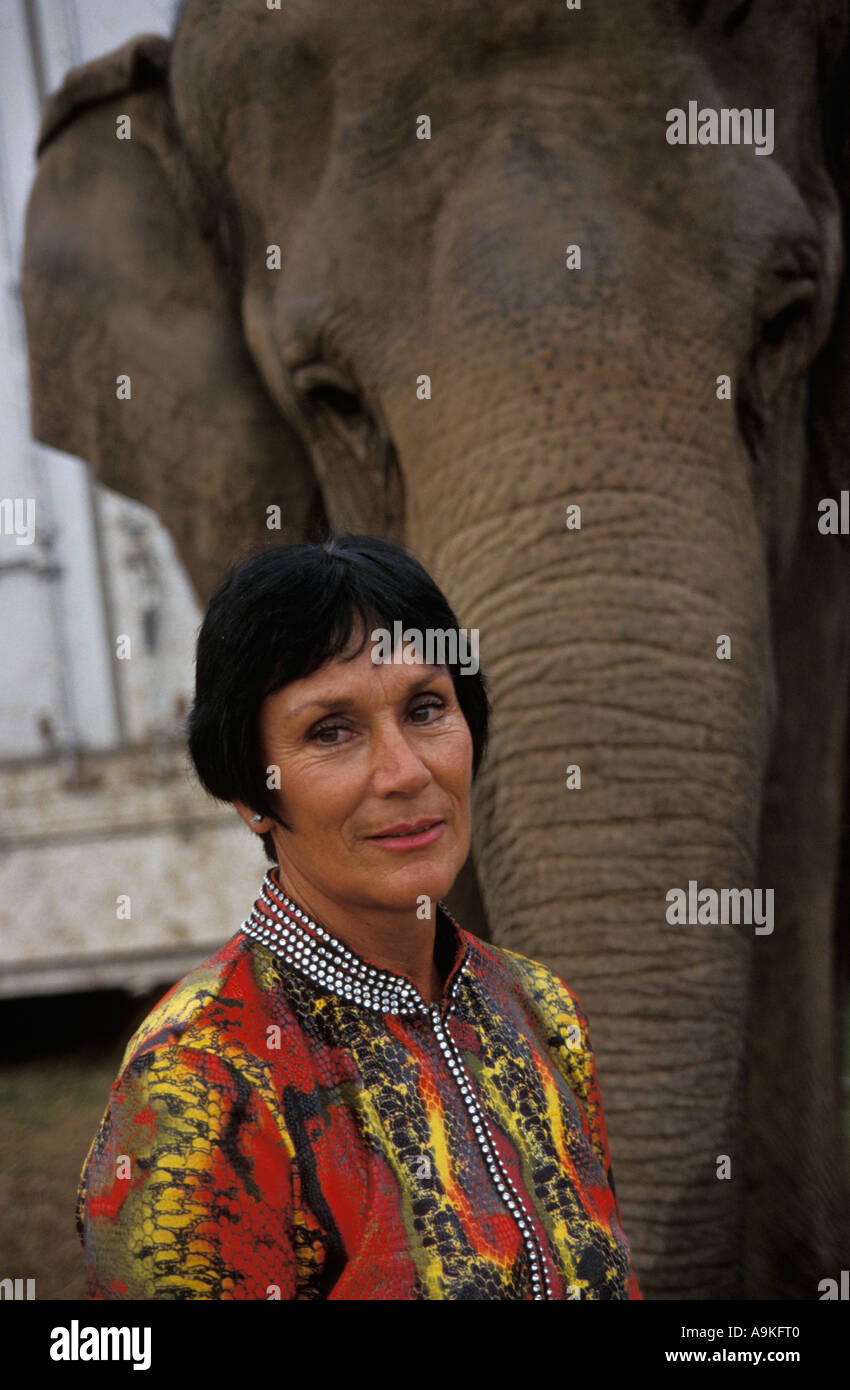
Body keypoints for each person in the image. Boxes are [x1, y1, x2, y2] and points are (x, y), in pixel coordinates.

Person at [75, 532, 642, 1300]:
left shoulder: (541, 1012)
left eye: (427, 709)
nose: (406, 772)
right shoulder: (201, 1078)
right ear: (248, 792)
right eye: (331, 732)